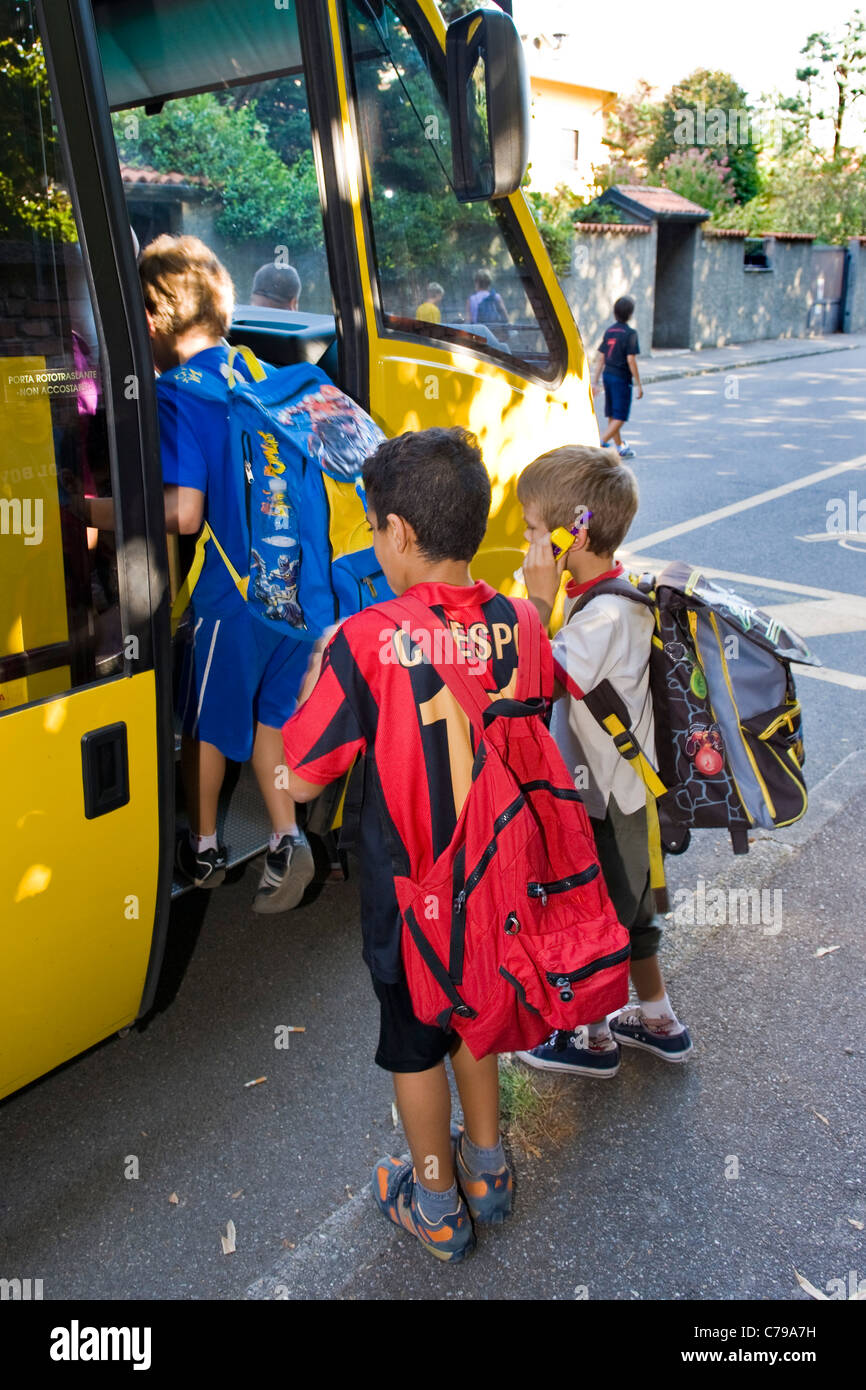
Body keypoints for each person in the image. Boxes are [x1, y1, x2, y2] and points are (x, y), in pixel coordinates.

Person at [281, 427, 550, 1262]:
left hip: (413, 896)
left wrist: (313, 673)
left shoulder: (365, 640)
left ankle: (432, 1197)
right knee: (477, 1019)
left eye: (370, 527)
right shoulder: (520, 622)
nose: (372, 541)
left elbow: (302, 773)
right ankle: (488, 1170)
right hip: (499, 884)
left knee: (412, 1043)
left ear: (398, 532)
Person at [138, 235, 314, 911]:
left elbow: (184, 512)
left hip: (231, 597)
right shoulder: (253, 371)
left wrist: (98, 506)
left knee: (206, 724)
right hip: (291, 589)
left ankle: (204, 846)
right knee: (272, 719)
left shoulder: (176, 391)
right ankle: (284, 836)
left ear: (152, 318)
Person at [514, 445, 692, 1076]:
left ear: (574, 530)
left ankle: (592, 1040)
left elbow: (536, 679)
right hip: (623, 791)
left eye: (535, 529)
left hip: (608, 799)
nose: (527, 539)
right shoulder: (607, 593)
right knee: (629, 915)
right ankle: (657, 1019)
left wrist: (534, 603)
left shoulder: (604, 615)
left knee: (597, 914)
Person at [591, 295, 643, 459]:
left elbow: (601, 358)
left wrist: (595, 381)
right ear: (630, 314)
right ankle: (601, 443)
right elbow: (631, 359)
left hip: (608, 375)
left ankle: (620, 447)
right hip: (621, 377)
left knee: (613, 413)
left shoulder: (610, 331)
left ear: (615, 313)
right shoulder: (630, 333)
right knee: (621, 416)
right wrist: (639, 384)